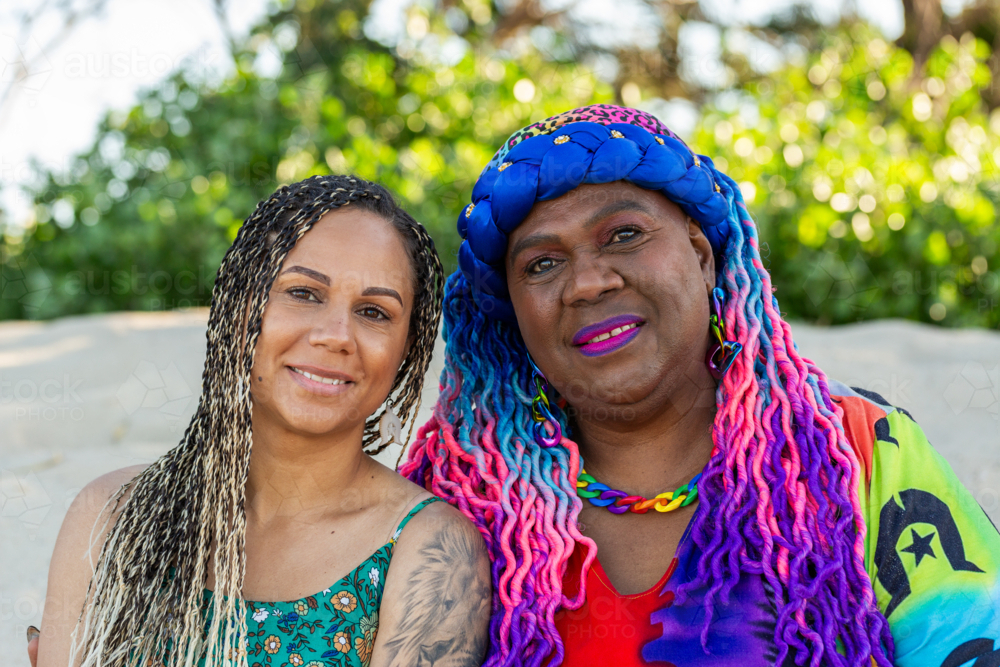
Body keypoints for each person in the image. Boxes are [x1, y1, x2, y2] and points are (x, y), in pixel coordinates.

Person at [400, 104, 1000, 666]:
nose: (587, 283)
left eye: (624, 234)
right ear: (513, 312)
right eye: (542, 264)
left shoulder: (853, 450)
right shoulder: (458, 498)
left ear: (701, 252)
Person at [29, 175, 491, 667]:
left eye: (374, 312)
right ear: (240, 308)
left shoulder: (432, 554)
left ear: (405, 350)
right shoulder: (114, 516)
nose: (336, 335)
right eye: (305, 293)